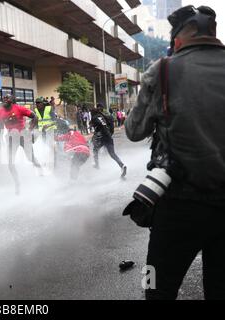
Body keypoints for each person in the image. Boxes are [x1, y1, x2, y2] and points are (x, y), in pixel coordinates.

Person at [125, 5, 225, 300]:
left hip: (177, 205)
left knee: (155, 285)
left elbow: (134, 130)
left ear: (178, 39)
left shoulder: (164, 69)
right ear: (214, 34)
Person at [0, 94, 42, 195]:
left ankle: (40, 169)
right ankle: (17, 184)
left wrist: (29, 131)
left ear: (12, 100)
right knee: (10, 163)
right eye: (3, 98)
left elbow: (35, 117)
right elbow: (0, 125)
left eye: (7, 97)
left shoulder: (19, 108)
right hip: (12, 138)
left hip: (23, 136)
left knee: (30, 158)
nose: (4, 99)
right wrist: (0, 140)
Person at [91, 104, 127, 178]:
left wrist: (94, 138)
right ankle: (122, 165)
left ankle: (97, 165)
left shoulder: (94, 118)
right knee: (112, 154)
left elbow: (96, 128)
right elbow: (107, 125)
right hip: (109, 137)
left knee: (95, 149)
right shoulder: (103, 117)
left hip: (103, 137)